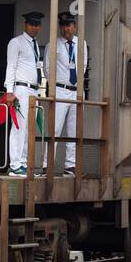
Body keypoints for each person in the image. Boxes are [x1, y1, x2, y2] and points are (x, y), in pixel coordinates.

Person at [3, 11, 44, 176]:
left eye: (36, 25)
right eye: (31, 24)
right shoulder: (16, 42)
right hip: (20, 89)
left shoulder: (34, 43)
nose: (34, 27)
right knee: (19, 127)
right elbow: (11, 66)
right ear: (25, 25)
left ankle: (24, 163)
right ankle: (15, 165)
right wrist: (9, 91)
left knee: (29, 128)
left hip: (33, 90)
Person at [53, 11, 88, 176]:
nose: (65, 29)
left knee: (74, 130)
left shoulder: (81, 43)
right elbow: (47, 68)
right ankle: (47, 165)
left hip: (76, 91)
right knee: (55, 128)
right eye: (62, 26)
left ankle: (70, 165)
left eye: (68, 25)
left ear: (74, 26)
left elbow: (83, 67)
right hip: (60, 89)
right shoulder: (55, 43)